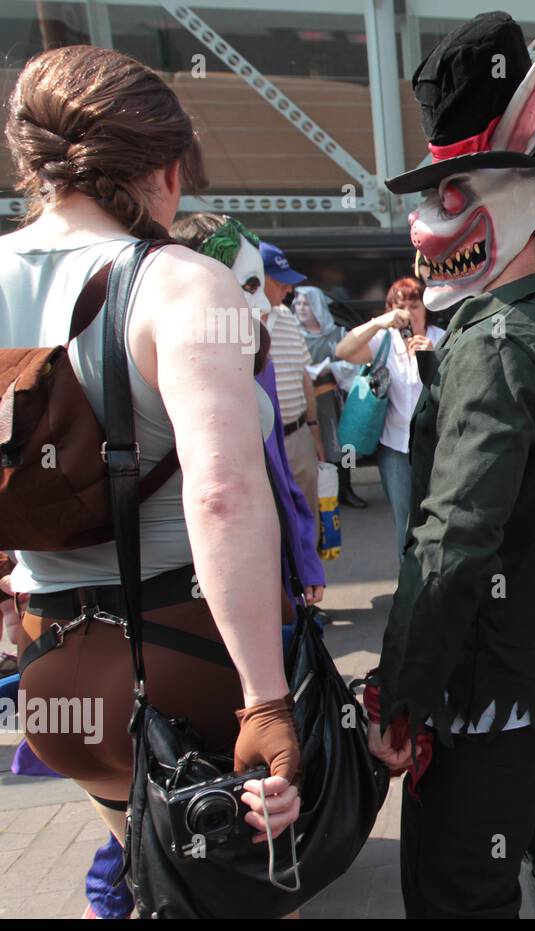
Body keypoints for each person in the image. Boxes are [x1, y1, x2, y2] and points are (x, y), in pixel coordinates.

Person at [0, 44, 299, 855]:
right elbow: (224, 495)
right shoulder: (182, 282)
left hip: (48, 671)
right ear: (165, 168)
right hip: (183, 663)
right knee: (242, 890)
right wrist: (266, 700)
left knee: (149, 869)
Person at [368, 14, 535, 918]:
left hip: (486, 697)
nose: (423, 221)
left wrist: (401, 692)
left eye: (455, 189)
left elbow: (454, 539)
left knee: (460, 893)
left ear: (531, 202)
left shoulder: (500, 341)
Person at [169, 212, 326, 609]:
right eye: (249, 285)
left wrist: (303, 559)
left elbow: (280, 475)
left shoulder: (259, 363)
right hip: (178, 586)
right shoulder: (154, 366)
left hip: (260, 572)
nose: (265, 305)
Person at [335, 277, 435, 560]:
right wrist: (379, 322)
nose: (407, 313)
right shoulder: (383, 341)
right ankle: (410, 589)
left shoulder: (438, 337)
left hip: (436, 449)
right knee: (405, 523)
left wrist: (431, 357)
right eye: (400, 306)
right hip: (395, 450)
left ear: (426, 308)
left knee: (438, 520)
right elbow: (343, 351)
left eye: (414, 306)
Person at [260, 241, 325, 517]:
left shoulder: (287, 317)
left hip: (298, 437)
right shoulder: (232, 321)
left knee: (305, 522)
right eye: (280, 281)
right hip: (259, 443)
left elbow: (304, 379)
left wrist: (314, 432)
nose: (289, 289)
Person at [294, 285, 368, 509]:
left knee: (346, 446)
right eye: (297, 303)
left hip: (336, 398)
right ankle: (325, 493)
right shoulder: (294, 335)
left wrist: (332, 369)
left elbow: (357, 361)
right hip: (308, 401)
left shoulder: (337, 334)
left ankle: (347, 488)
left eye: (306, 303)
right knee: (319, 448)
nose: (300, 307)